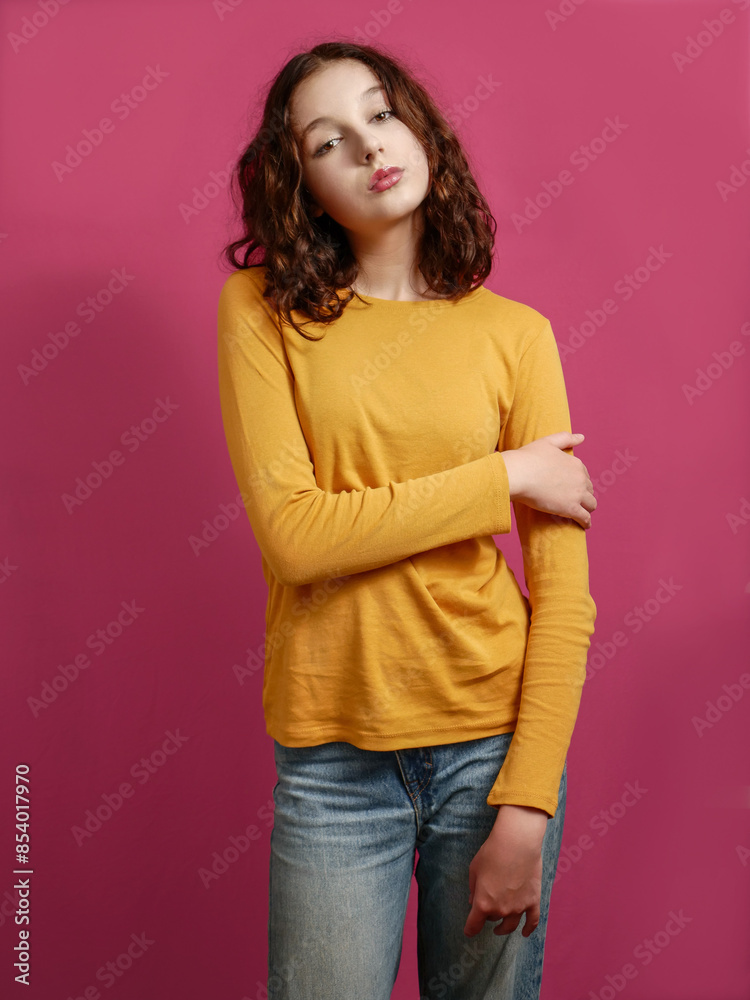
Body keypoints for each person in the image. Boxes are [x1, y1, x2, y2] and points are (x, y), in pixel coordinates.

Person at [217, 39, 597, 1000]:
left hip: (491, 750)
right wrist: (504, 475)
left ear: (421, 127)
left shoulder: (516, 336)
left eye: (382, 113)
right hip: (333, 761)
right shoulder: (262, 313)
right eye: (328, 140)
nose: (370, 146)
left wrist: (529, 805)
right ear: (300, 183)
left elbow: (562, 601)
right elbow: (298, 538)